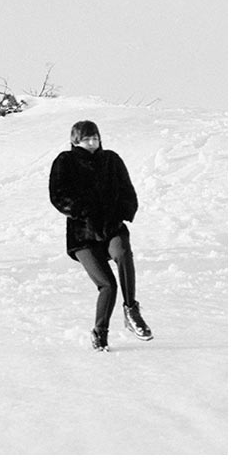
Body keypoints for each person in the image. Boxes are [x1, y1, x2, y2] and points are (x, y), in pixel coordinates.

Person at [49, 120, 153, 351]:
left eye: (95, 138)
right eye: (87, 139)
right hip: (83, 236)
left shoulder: (111, 159)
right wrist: (81, 210)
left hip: (112, 227)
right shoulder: (65, 161)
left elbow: (128, 191)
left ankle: (131, 311)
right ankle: (100, 332)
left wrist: (124, 211)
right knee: (108, 285)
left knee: (122, 253)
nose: (92, 142)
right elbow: (58, 195)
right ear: (76, 140)